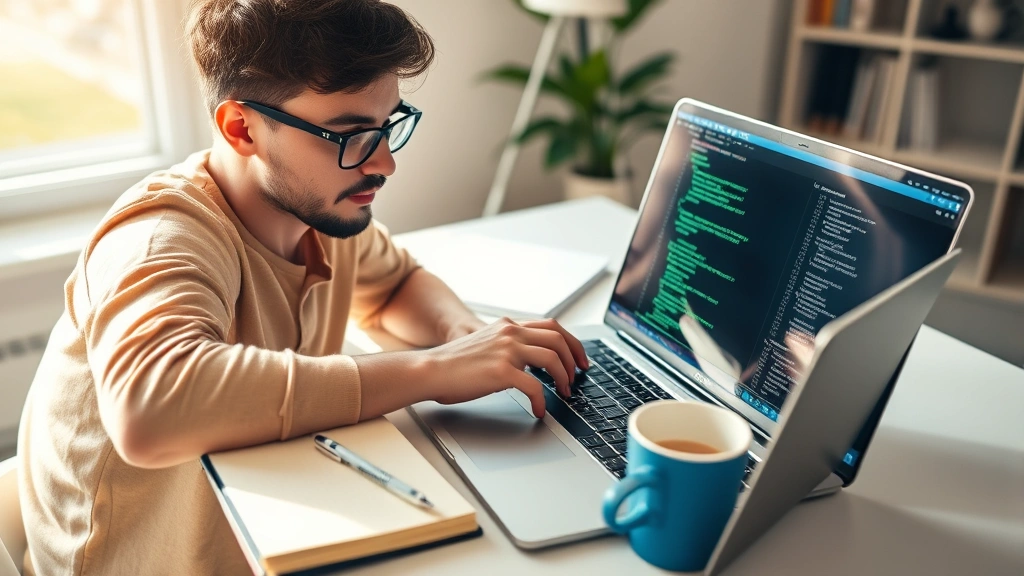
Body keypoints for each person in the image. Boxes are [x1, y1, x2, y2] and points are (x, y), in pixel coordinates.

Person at [16, 1, 588, 574]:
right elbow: (151, 410)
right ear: (241, 128)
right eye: (351, 135)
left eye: (389, 125)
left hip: (266, 536)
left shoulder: (322, 208)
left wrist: (469, 336)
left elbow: (395, 286)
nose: (384, 163)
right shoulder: (163, 237)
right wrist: (433, 370)